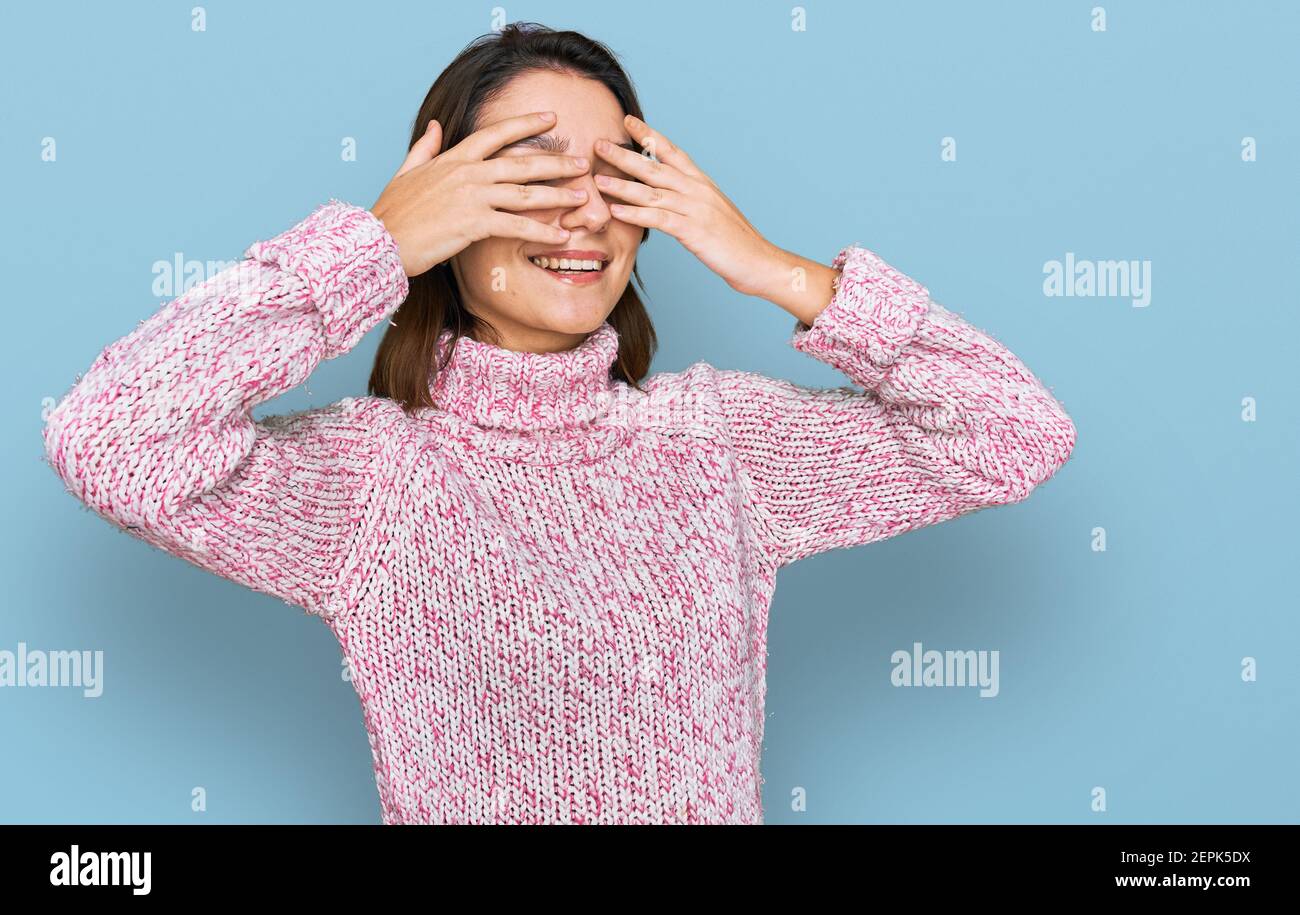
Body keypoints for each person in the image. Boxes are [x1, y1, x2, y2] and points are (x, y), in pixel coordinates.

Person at [41, 22, 1076, 824]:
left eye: (614, 175)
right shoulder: (372, 480)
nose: (582, 212)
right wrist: (368, 247)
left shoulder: (718, 447)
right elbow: (113, 436)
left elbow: (1014, 430)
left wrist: (775, 271)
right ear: (446, 212)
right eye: (530, 175)